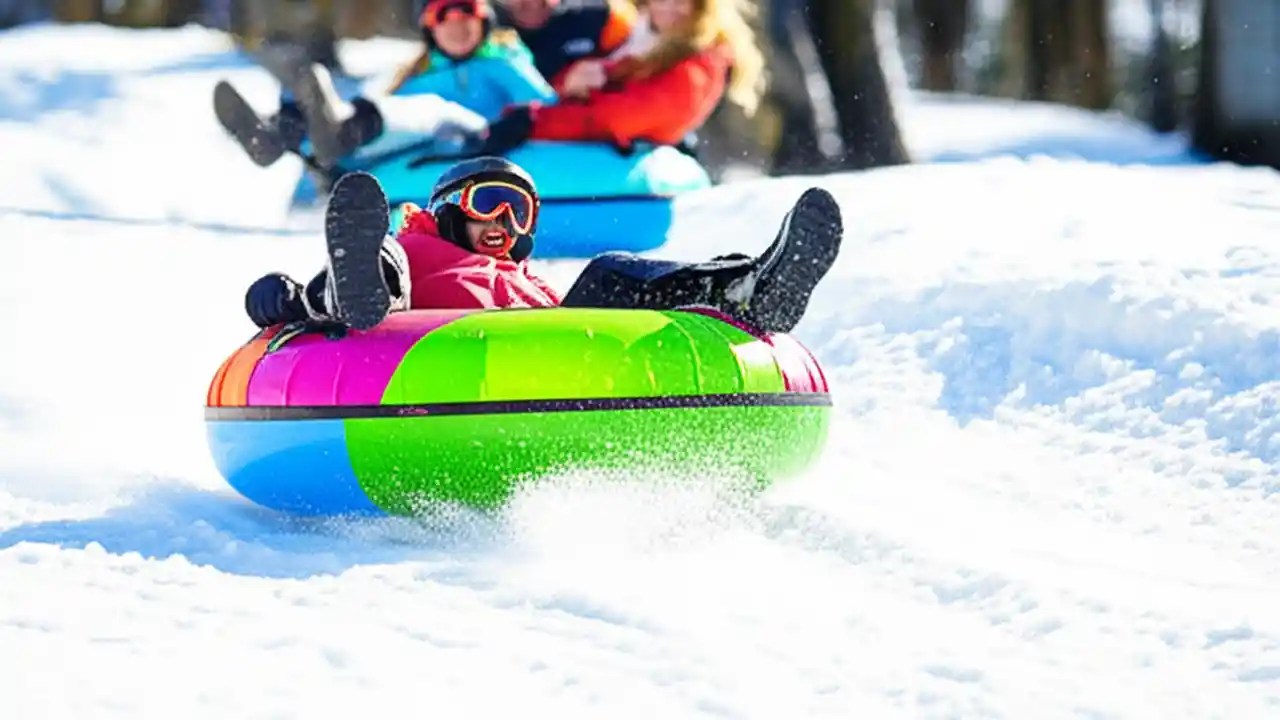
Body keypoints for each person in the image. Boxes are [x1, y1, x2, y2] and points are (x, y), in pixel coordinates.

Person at [244, 156, 843, 337]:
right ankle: (353, 292)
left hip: (544, 362)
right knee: (388, 261)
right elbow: (274, 307)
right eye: (486, 203)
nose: (502, 219)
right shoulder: (419, 244)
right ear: (449, 210)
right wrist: (289, 299)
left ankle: (747, 289)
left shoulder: (529, 282)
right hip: (426, 344)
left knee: (610, 274)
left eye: (519, 209)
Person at [214, 0, 555, 170]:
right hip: (417, 138)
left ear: (485, 24)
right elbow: (388, 107)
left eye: (466, 18)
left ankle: (337, 133)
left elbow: (546, 104)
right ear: (430, 31)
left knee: (429, 106)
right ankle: (279, 135)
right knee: (350, 97)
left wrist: (519, 120)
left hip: (475, 133)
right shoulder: (418, 71)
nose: (457, 27)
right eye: (444, 20)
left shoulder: (503, 61)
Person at [472, 0, 766, 155]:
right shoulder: (640, 46)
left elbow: (619, 117)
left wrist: (535, 122)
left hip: (633, 156)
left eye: (683, 1)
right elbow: (573, 85)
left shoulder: (700, 62)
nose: (671, 9)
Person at [493, 0, 636, 84]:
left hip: (579, 120)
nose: (532, 2)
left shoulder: (604, 16)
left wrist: (606, 71)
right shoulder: (478, 22)